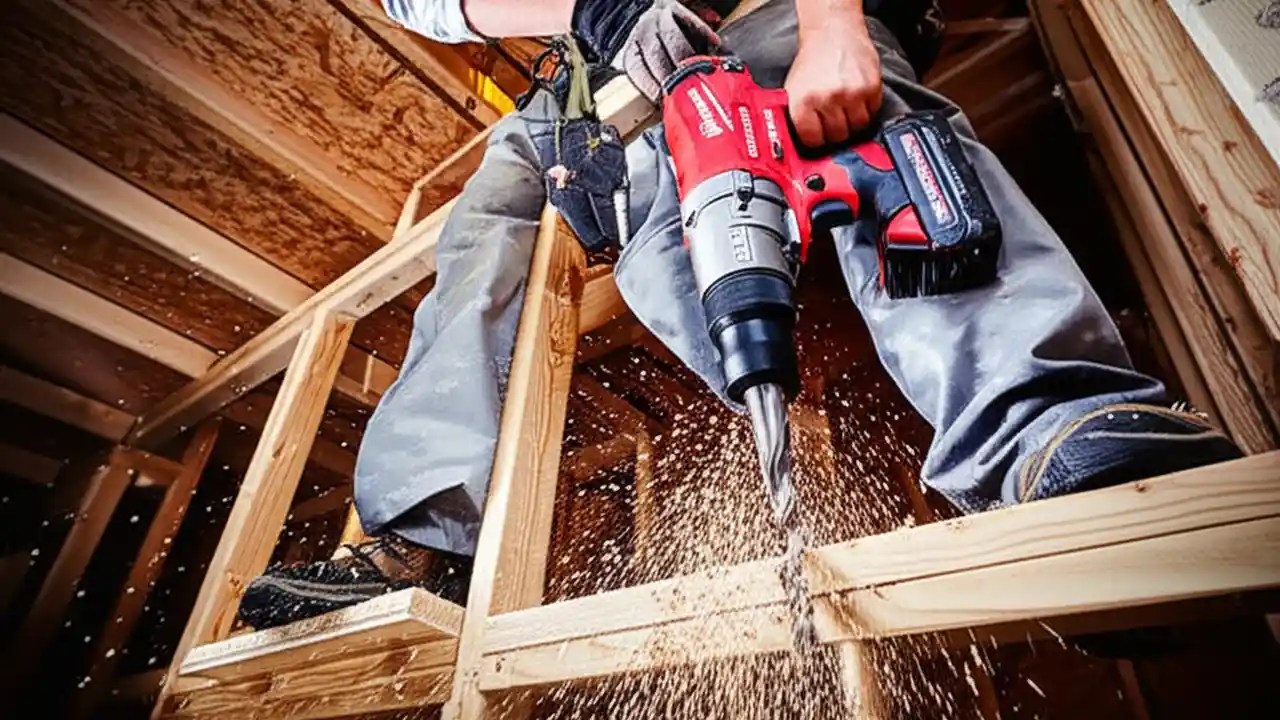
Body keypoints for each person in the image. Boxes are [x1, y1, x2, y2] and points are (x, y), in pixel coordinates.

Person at [237, 0, 1240, 631]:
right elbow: (429, 2)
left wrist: (837, 26)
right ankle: (424, 535)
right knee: (482, 220)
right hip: (593, 79)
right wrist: (597, 8)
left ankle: (1045, 426)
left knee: (865, 120)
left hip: (767, 11)